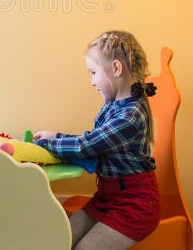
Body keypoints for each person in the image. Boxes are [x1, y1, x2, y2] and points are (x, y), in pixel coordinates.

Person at [34, 30, 160, 250]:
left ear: (116, 68)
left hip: (134, 206)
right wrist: (57, 137)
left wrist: (47, 145)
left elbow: (86, 146)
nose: (92, 81)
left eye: (93, 72)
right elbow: (94, 140)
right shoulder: (114, 104)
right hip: (107, 198)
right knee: (59, 239)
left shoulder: (130, 115)